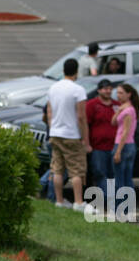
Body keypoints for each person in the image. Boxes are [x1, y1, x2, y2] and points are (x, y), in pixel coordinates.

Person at [45, 57, 90, 210]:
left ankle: (59, 200)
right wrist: (86, 140)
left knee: (57, 168)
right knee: (76, 170)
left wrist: (52, 128)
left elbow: (49, 112)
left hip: (55, 133)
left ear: (63, 70)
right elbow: (81, 116)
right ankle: (78, 202)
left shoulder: (53, 88)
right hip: (71, 134)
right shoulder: (78, 90)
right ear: (76, 72)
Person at [85, 79, 118, 200]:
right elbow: (86, 125)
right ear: (99, 90)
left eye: (110, 88)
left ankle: (112, 198)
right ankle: (109, 198)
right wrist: (87, 143)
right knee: (100, 172)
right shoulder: (92, 105)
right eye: (105, 89)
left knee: (112, 174)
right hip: (97, 147)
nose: (108, 91)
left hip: (114, 146)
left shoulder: (116, 105)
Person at [111, 83, 139, 217]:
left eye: (121, 93)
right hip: (128, 146)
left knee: (121, 180)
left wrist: (118, 151)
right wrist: (118, 110)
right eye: (117, 93)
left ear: (129, 94)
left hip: (123, 145)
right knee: (127, 178)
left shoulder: (129, 111)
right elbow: (113, 122)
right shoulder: (125, 109)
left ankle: (121, 209)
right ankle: (126, 209)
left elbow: (125, 132)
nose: (118, 95)